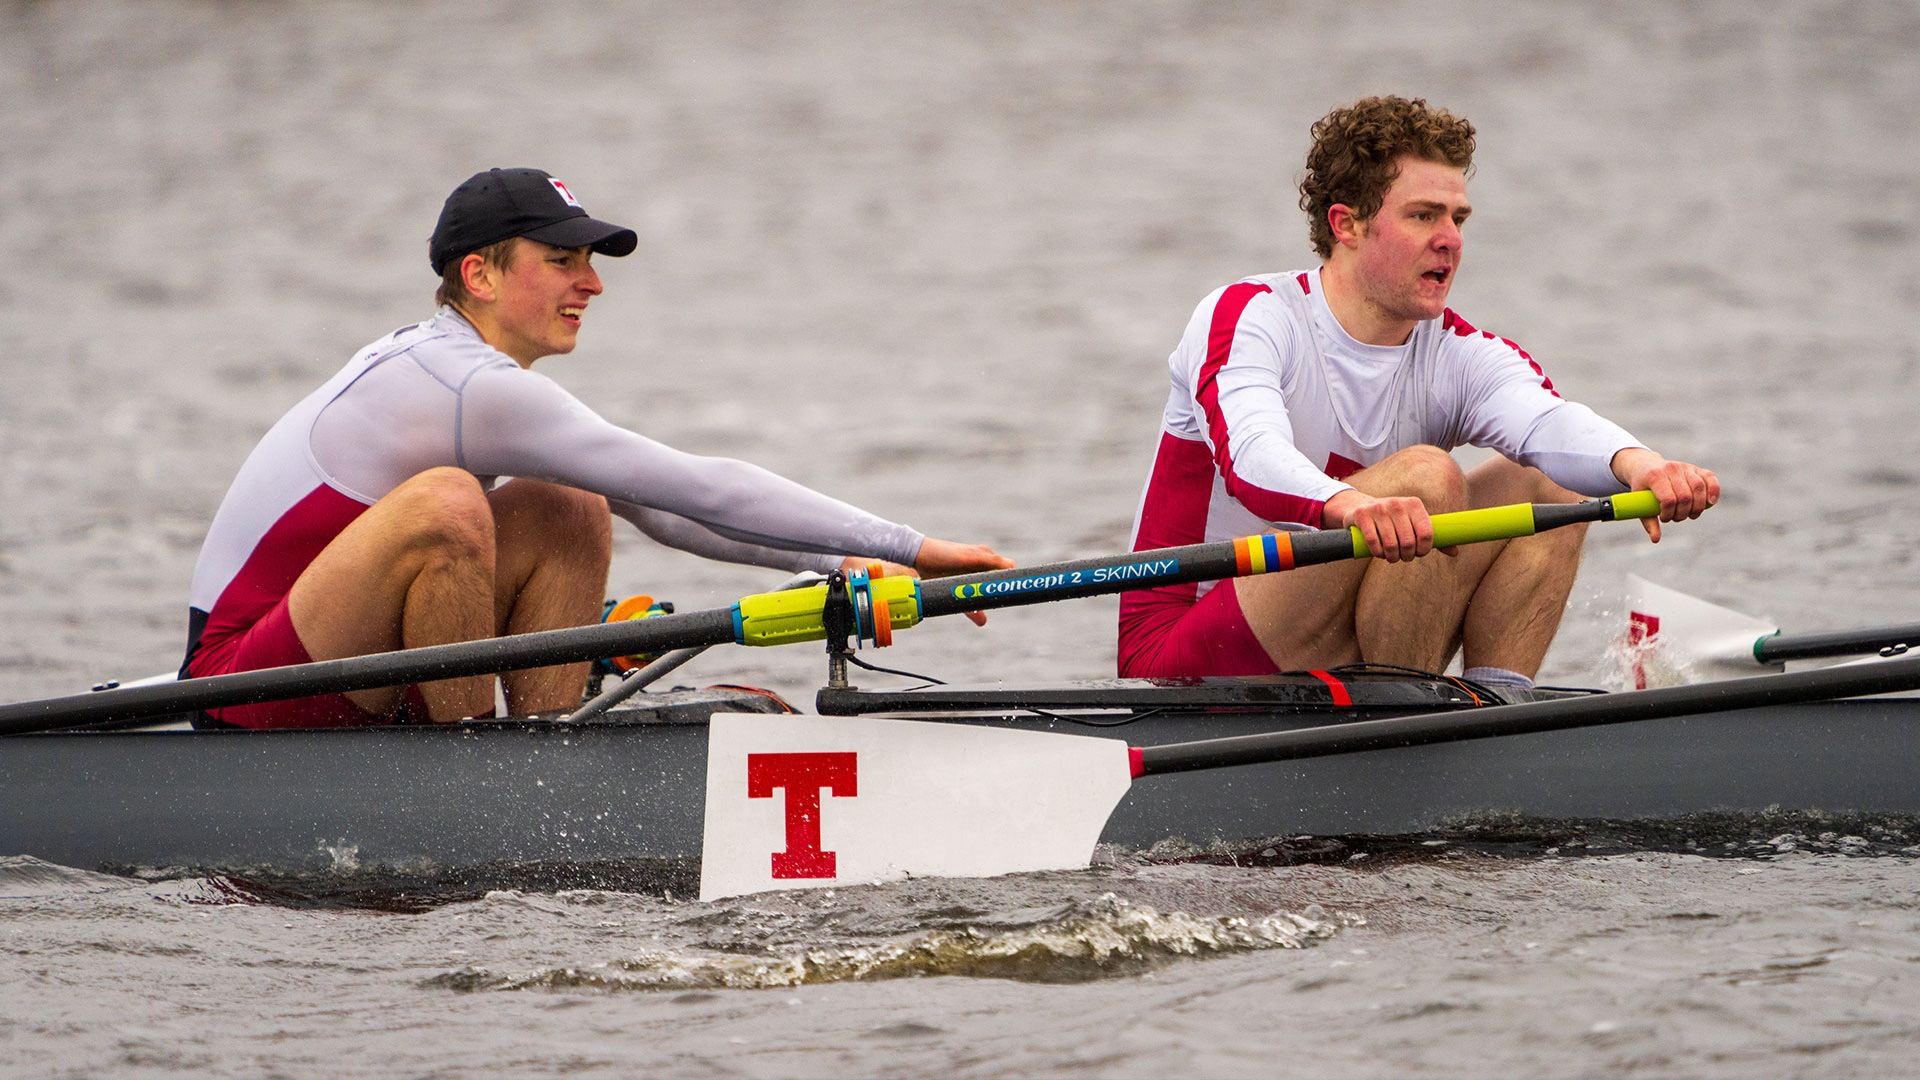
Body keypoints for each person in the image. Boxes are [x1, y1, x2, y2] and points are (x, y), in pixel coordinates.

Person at [184, 167, 1011, 728]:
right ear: (480, 276)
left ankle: (547, 754)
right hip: (241, 682)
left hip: (338, 655)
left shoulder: (472, 377)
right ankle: (474, 783)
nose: (593, 283)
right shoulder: (460, 382)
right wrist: (916, 546)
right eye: (562, 260)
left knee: (571, 505)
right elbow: (702, 486)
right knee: (447, 504)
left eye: (589, 261)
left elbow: (668, 511)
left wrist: (844, 568)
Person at [1118, 96, 1717, 688]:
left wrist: (1643, 467)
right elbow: (1253, 459)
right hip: (1184, 651)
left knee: (1551, 483)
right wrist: (1356, 508)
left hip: (1347, 623)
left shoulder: (1457, 353)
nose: (1450, 239)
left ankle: (1495, 709)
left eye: (1458, 219)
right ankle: (1407, 728)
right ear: (1346, 224)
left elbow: (1548, 424)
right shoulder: (1250, 317)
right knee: (1427, 479)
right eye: (1423, 215)